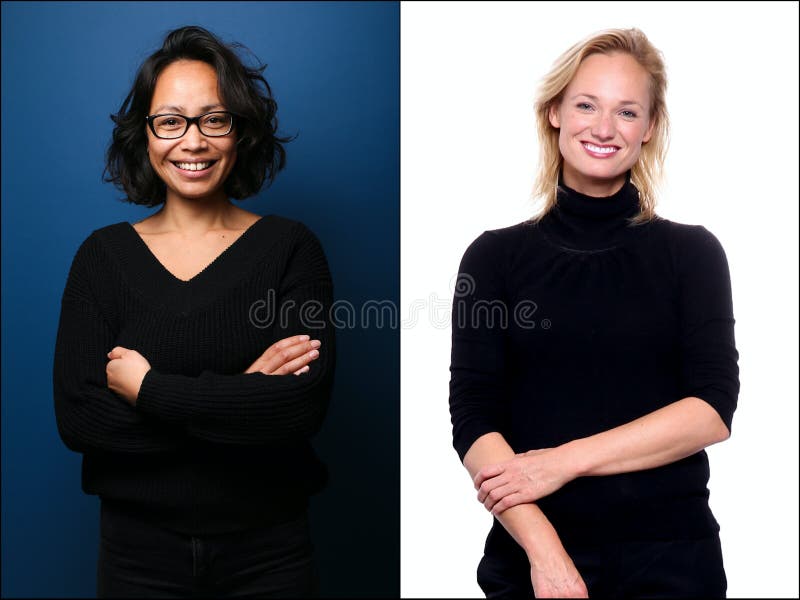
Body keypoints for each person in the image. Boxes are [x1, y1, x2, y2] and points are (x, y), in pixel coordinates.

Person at [449, 27, 738, 598]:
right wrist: (545, 553)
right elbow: (474, 417)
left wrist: (563, 462)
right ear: (554, 112)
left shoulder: (692, 253)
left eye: (626, 111)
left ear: (649, 127)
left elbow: (712, 409)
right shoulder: (493, 257)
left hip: (673, 560)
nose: (604, 128)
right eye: (586, 105)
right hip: (532, 559)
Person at [53, 25, 335, 598]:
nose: (193, 141)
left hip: (270, 554)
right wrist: (243, 394)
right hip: (136, 555)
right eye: (171, 121)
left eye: (214, 119)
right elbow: (81, 420)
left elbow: (297, 410)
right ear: (145, 133)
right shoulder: (102, 258)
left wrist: (150, 390)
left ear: (240, 131)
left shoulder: (291, 248)